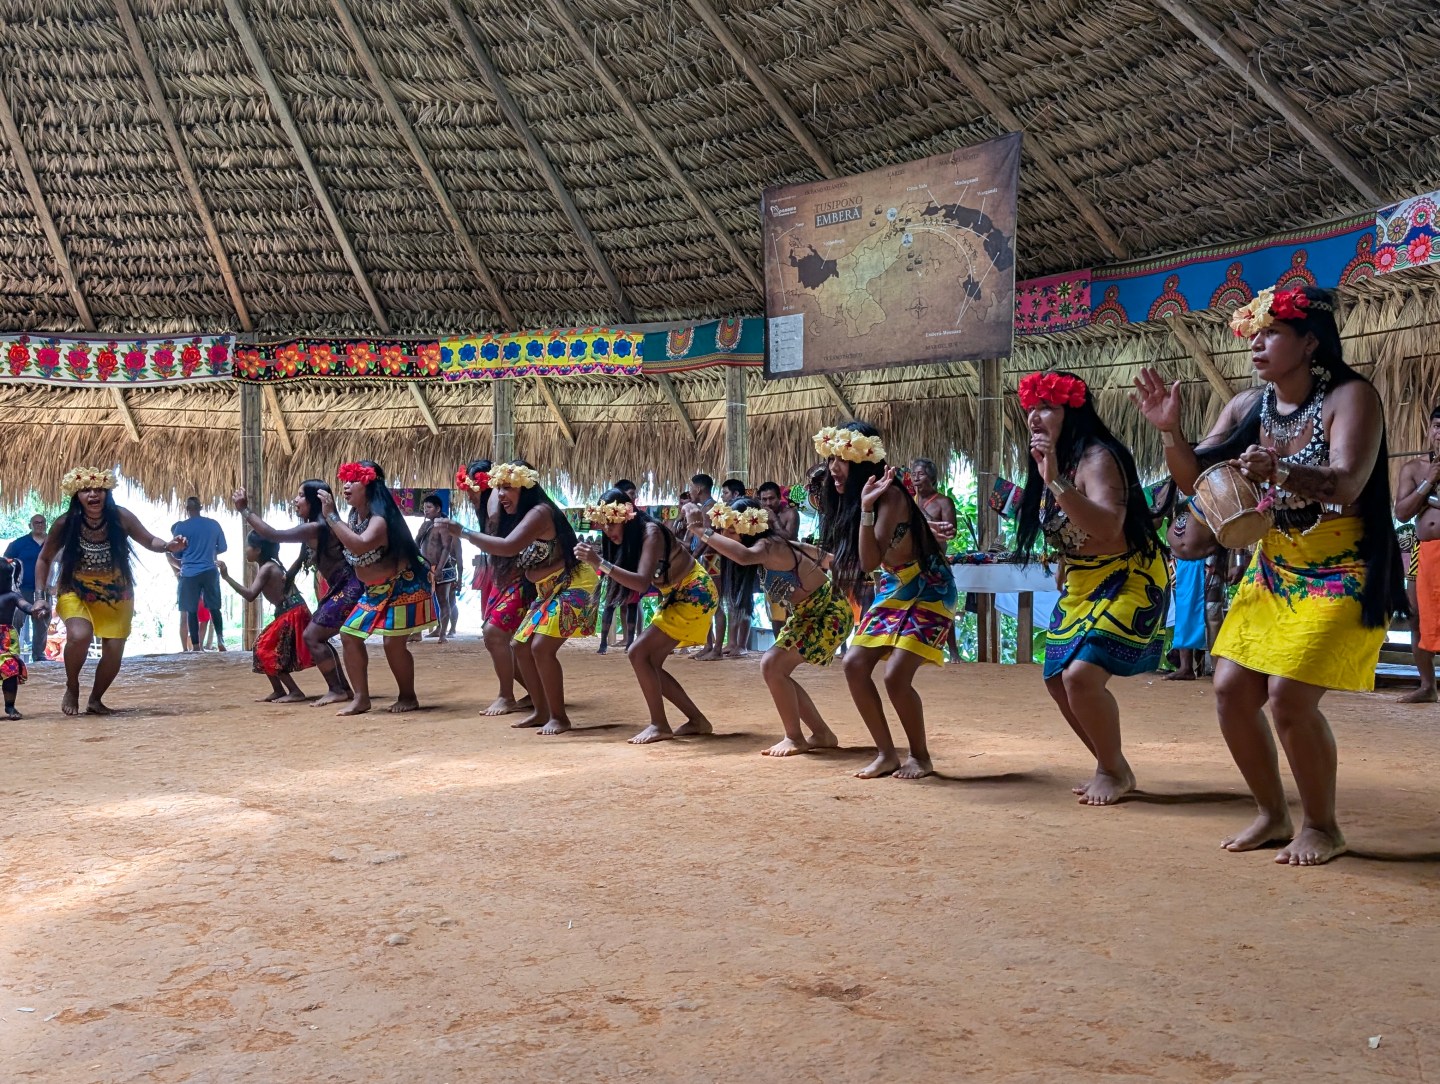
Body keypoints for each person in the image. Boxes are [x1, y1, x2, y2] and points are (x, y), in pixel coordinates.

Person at [1132, 284, 1405, 865]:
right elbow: (1193, 480)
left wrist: (1279, 471)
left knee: (1287, 697)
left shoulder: (1351, 397)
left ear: (1310, 342)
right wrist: (1169, 432)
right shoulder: (1245, 407)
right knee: (1231, 690)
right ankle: (1272, 814)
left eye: (1272, 332)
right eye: (1253, 334)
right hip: (1275, 567)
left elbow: (1348, 483)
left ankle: (1323, 827)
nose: (1256, 343)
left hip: (1342, 567)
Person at [1015, 371, 1168, 805]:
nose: (1035, 417)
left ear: (1072, 412)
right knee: (1056, 680)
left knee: (1080, 675)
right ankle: (1112, 765)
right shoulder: (1054, 461)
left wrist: (1055, 481)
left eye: (1048, 408)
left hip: (1129, 576)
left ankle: (1111, 770)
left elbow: (1109, 528)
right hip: (1084, 580)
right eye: (1032, 408)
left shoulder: (1098, 458)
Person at [817, 422, 957, 779]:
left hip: (930, 586)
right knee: (854, 664)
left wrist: (867, 508)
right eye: (831, 458)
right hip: (895, 585)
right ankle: (886, 754)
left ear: (862, 462)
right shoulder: (853, 499)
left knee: (895, 676)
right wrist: (863, 507)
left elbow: (868, 562)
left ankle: (920, 757)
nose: (834, 467)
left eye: (841, 459)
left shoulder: (890, 496)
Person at [687, 497, 853, 756]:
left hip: (828, 613)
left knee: (773, 665)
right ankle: (821, 734)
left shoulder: (769, 546)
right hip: (807, 615)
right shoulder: (776, 545)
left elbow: (744, 556)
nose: (726, 535)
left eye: (731, 529)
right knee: (776, 669)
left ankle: (795, 737)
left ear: (748, 526)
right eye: (724, 530)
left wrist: (701, 531)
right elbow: (826, 559)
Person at [444, 461, 597, 734]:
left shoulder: (539, 512)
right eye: (498, 488)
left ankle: (559, 718)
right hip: (548, 588)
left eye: (507, 488)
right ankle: (541, 712)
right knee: (520, 645)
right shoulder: (520, 515)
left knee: (541, 647)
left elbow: (508, 547)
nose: (501, 494)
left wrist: (463, 532)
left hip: (574, 584)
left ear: (525, 488)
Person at [33, 467, 187, 715]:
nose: (93, 494)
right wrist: (40, 597)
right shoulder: (65, 523)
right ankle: (72, 686)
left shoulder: (121, 517)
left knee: (114, 650)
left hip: (117, 594)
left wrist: (167, 546)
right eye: (86, 490)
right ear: (77, 495)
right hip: (76, 591)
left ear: (107, 493)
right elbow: (44, 559)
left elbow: (149, 540)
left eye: (99, 489)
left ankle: (95, 700)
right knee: (79, 635)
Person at [576, 490, 718, 744]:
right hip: (678, 594)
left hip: (695, 592)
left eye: (613, 522)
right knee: (649, 662)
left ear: (627, 517)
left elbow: (641, 583)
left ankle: (659, 725)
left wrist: (600, 563)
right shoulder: (632, 536)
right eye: (604, 523)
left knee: (638, 653)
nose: (608, 529)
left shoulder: (650, 532)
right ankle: (697, 721)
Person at [317, 461, 435, 715]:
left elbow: (359, 545)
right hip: (374, 591)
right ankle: (361, 698)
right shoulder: (354, 516)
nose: (346, 486)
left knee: (393, 643)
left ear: (370, 485)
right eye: (345, 481)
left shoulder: (380, 519)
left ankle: (408, 696)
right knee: (349, 635)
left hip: (403, 585)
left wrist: (331, 516)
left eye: (353, 481)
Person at [234, 481, 358, 706]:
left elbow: (273, 534)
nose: (295, 500)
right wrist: (289, 576)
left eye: (301, 495)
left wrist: (244, 510)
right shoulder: (315, 527)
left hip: (348, 586)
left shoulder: (316, 527)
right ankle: (343, 688)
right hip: (341, 586)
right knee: (317, 636)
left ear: (313, 501)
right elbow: (301, 558)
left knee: (312, 636)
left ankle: (337, 689)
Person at [455, 459, 532, 716]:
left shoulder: (499, 507)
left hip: (521, 580)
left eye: (472, 488)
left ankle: (506, 696)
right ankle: (538, 691)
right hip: (503, 581)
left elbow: (497, 527)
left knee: (494, 634)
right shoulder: (490, 508)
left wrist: (490, 493)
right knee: (498, 638)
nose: (468, 495)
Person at [219, 532, 314, 703]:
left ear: (258, 550)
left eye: (248, 546)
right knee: (263, 647)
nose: (246, 550)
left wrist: (226, 577)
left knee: (265, 648)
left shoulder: (267, 568)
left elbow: (250, 595)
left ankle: (294, 691)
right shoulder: (270, 565)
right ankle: (279, 690)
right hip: (291, 610)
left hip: (292, 612)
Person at [1393, 405, 1440, 703]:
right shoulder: (1414, 469)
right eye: (1437, 426)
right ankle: (1427, 686)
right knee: (1416, 615)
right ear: (1430, 430)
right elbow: (1402, 512)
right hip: (1423, 551)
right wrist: (1429, 481)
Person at [909, 458, 961, 661]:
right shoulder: (908, 501)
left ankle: (953, 652)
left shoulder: (943, 502)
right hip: (911, 560)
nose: (916, 478)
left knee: (944, 604)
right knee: (911, 605)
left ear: (931, 478)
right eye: (913, 474)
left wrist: (920, 513)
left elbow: (951, 532)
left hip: (935, 561)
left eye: (921, 474)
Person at [169, 496, 228, 653]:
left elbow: (176, 553)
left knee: (191, 610)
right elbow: (223, 547)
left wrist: (189, 554)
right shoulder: (214, 524)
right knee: (214, 607)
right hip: (210, 571)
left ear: (187, 509)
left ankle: (195, 646)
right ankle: (220, 639)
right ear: (201, 507)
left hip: (189, 574)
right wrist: (209, 551)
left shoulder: (181, 527)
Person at [5, 514, 48, 663]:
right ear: (30, 525)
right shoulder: (19, 544)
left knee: (42, 622)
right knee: (16, 621)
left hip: (44, 590)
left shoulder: (52, 543)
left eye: (42, 522)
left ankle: (39, 655)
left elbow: (62, 563)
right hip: (22, 590)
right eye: (36, 522)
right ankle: (12, 653)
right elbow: (5, 563)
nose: (40, 524)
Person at [416, 493, 458, 645]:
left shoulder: (444, 526)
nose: (425, 510)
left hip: (442, 568)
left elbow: (447, 548)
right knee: (420, 600)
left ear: (438, 509)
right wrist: (419, 535)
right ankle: (418, 633)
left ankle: (443, 634)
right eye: (424, 507)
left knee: (443, 601)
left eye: (429, 507)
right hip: (426, 569)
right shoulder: (425, 526)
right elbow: (416, 544)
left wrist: (439, 568)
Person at [0, 557, 37, 717]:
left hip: (5, 638)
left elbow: (26, 606)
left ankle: (10, 706)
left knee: (10, 671)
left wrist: (36, 609)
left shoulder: (11, 596)